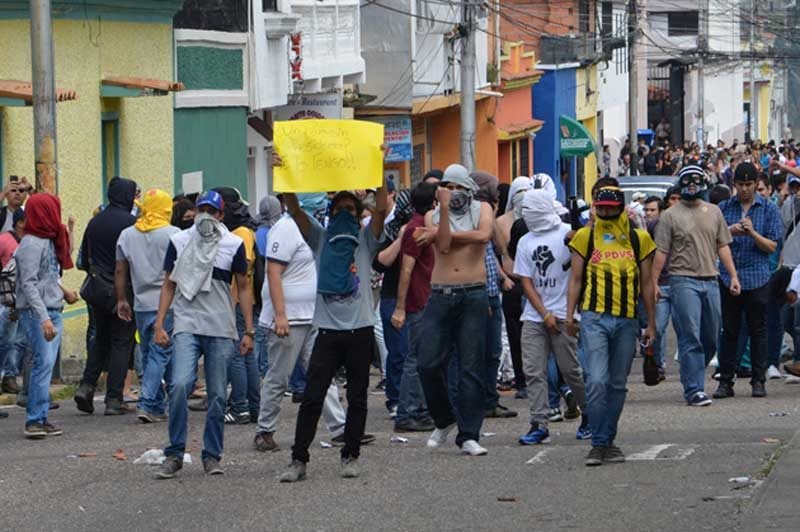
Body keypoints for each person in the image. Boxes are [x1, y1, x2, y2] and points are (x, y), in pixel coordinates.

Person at [279, 184, 387, 483]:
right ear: (329, 213)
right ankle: (298, 460)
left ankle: (350, 455)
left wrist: (378, 170)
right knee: (312, 398)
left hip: (360, 330)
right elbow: (296, 210)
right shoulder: (320, 238)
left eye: (349, 209)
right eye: (338, 209)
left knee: (357, 398)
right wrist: (287, 179)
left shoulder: (365, 240)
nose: (342, 213)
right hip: (326, 331)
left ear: (358, 215)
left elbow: (380, 210)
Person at [154, 190, 254, 479]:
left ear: (221, 216)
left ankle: (212, 455)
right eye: (202, 210)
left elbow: (243, 287)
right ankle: (174, 454)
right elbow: (169, 284)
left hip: (220, 326)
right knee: (180, 385)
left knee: (219, 396)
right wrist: (160, 323)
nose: (206, 216)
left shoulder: (233, 245)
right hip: (187, 322)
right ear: (194, 212)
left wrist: (247, 329)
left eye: (212, 211)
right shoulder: (179, 241)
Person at [567, 186, 656, 465]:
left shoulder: (638, 239)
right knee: (596, 381)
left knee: (617, 385)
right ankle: (598, 442)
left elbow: (647, 284)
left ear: (621, 208)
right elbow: (576, 280)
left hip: (627, 320)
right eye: (600, 207)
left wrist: (651, 324)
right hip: (594, 318)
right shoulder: (585, 236)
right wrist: (570, 316)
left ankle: (607, 440)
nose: (604, 213)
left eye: (610, 208)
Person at [252, 199, 348, 453]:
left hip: (313, 315)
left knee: (322, 373)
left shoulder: (314, 228)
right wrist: (280, 315)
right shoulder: (285, 228)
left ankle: (339, 428)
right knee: (279, 376)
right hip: (289, 319)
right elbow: (273, 272)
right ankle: (265, 430)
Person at [416, 164, 493, 456]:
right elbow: (445, 246)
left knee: (471, 367)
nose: (451, 192)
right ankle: (444, 418)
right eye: (446, 187)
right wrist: (442, 220)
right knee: (427, 362)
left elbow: (483, 236)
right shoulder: (432, 215)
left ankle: (469, 434)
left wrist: (435, 233)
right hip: (441, 294)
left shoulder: (482, 208)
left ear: (468, 188)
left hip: (473, 292)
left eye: (456, 187)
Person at [653, 165, 740, 407]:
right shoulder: (669, 215)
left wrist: (733, 276)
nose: (692, 184)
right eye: (687, 180)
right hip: (682, 280)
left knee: (711, 337)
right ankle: (694, 390)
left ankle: (692, 371)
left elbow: (723, 245)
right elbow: (661, 251)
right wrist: (653, 282)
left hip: (711, 280)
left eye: (696, 180)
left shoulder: (714, 212)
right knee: (690, 335)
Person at [515, 189, 590, 445]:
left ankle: (588, 413)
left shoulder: (568, 234)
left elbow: (583, 269)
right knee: (534, 371)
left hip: (565, 314)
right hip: (535, 316)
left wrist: (567, 314)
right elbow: (526, 282)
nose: (529, 215)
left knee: (571, 370)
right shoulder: (525, 241)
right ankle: (539, 422)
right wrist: (543, 312)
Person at [713, 162, 782, 399]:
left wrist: (752, 233)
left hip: (758, 277)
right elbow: (713, 240)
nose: (745, 189)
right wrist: (730, 231)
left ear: (756, 184)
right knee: (729, 331)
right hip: (728, 276)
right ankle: (725, 380)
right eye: (740, 185)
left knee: (758, 330)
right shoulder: (723, 208)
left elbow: (772, 246)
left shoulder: (769, 209)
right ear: (734, 185)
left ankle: (758, 380)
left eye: (749, 185)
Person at [114, 189, 180, 423]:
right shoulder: (174, 234)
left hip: (141, 303)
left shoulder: (127, 235)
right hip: (169, 303)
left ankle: (163, 403)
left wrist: (121, 299)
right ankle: (148, 402)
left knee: (153, 353)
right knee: (162, 354)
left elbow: (121, 270)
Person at [74, 177, 138, 416]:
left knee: (100, 339)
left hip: (96, 289)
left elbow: (85, 256)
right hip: (122, 290)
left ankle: (87, 385)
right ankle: (113, 398)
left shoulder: (95, 222)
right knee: (122, 342)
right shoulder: (131, 223)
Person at [15, 193, 73, 438]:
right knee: (42, 363)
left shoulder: (48, 240)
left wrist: (63, 293)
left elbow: (50, 273)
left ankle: (41, 416)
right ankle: (34, 420)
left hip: (52, 309)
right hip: (38, 313)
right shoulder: (31, 244)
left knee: (45, 365)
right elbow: (28, 285)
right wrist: (44, 318)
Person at [390, 182, 438, 432]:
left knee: (424, 358)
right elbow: (406, 269)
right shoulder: (415, 230)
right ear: (432, 204)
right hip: (418, 301)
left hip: (426, 300)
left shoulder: (425, 227)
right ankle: (406, 413)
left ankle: (419, 409)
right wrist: (400, 307)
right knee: (415, 358)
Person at [213, 187, 260, 425]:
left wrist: (230, 303)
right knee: (247, 355)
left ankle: (240, 405)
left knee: (237, 355)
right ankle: (253, 406)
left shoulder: (241, 234)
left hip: (238, 302)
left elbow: (240, 274)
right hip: (245, 301)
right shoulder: (245, 231)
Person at [495, 176, 533, 398]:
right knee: (515, 335)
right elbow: (504, 255)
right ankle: (521, 380)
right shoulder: (502, 222)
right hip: (512, 284)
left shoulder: (538, 220)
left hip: (534, 285)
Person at [0, 209, 26, 396]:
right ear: (20, 222)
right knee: (4, 342)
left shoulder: (30, 243)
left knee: (15, 343)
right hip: (5, 301)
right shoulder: (4, 240)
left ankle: (10, 376)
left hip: (22, 303)